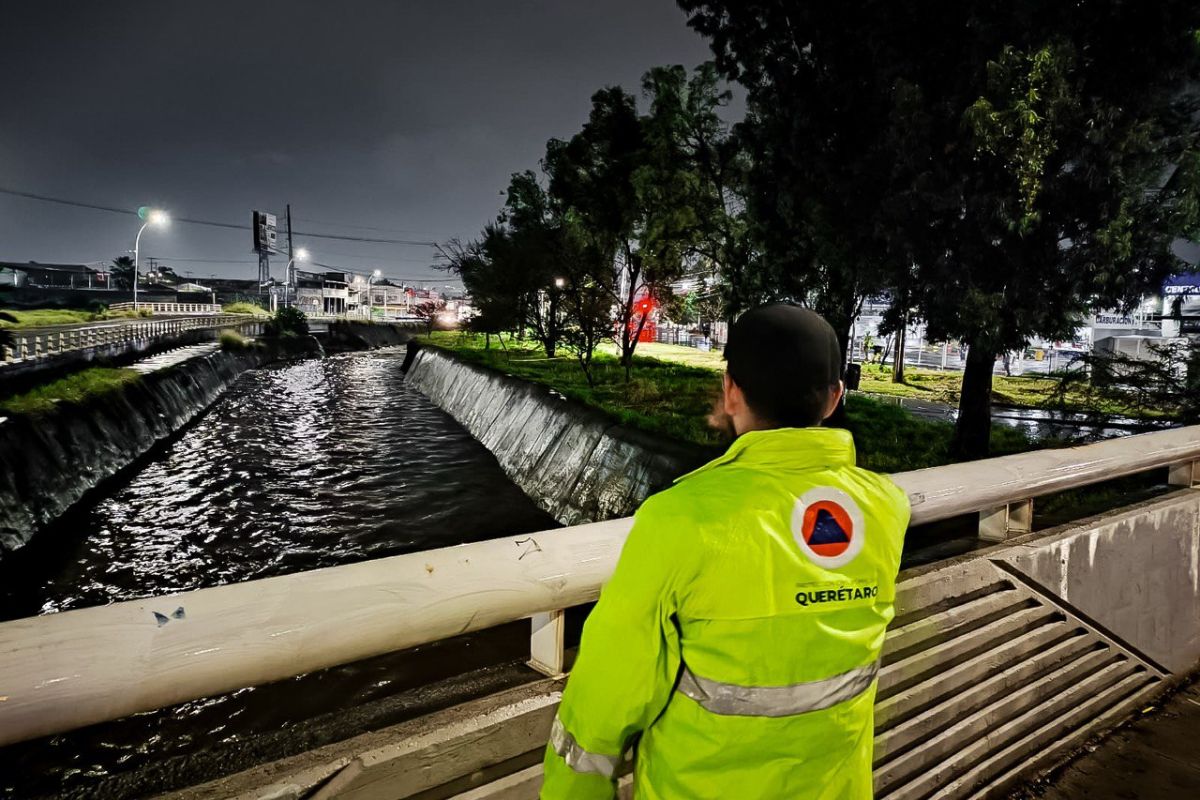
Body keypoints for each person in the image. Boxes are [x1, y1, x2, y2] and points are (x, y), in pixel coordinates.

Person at [541, 304, 910, 799]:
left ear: (732, 391)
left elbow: (607, 694)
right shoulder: (885, 507)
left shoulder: (680, 519)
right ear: (833, 398)